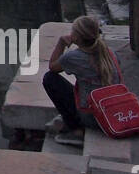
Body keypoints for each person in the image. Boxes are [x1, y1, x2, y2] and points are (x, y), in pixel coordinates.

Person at [43, 15, 121, 147]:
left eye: (73, 31)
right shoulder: (110, 52)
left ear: (77, 37)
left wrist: (61, 43)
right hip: (113, 111)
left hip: (93, 118)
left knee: (50, 79)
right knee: (84, 85)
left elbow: (52, 67)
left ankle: (77, 131)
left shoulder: (74, 57)